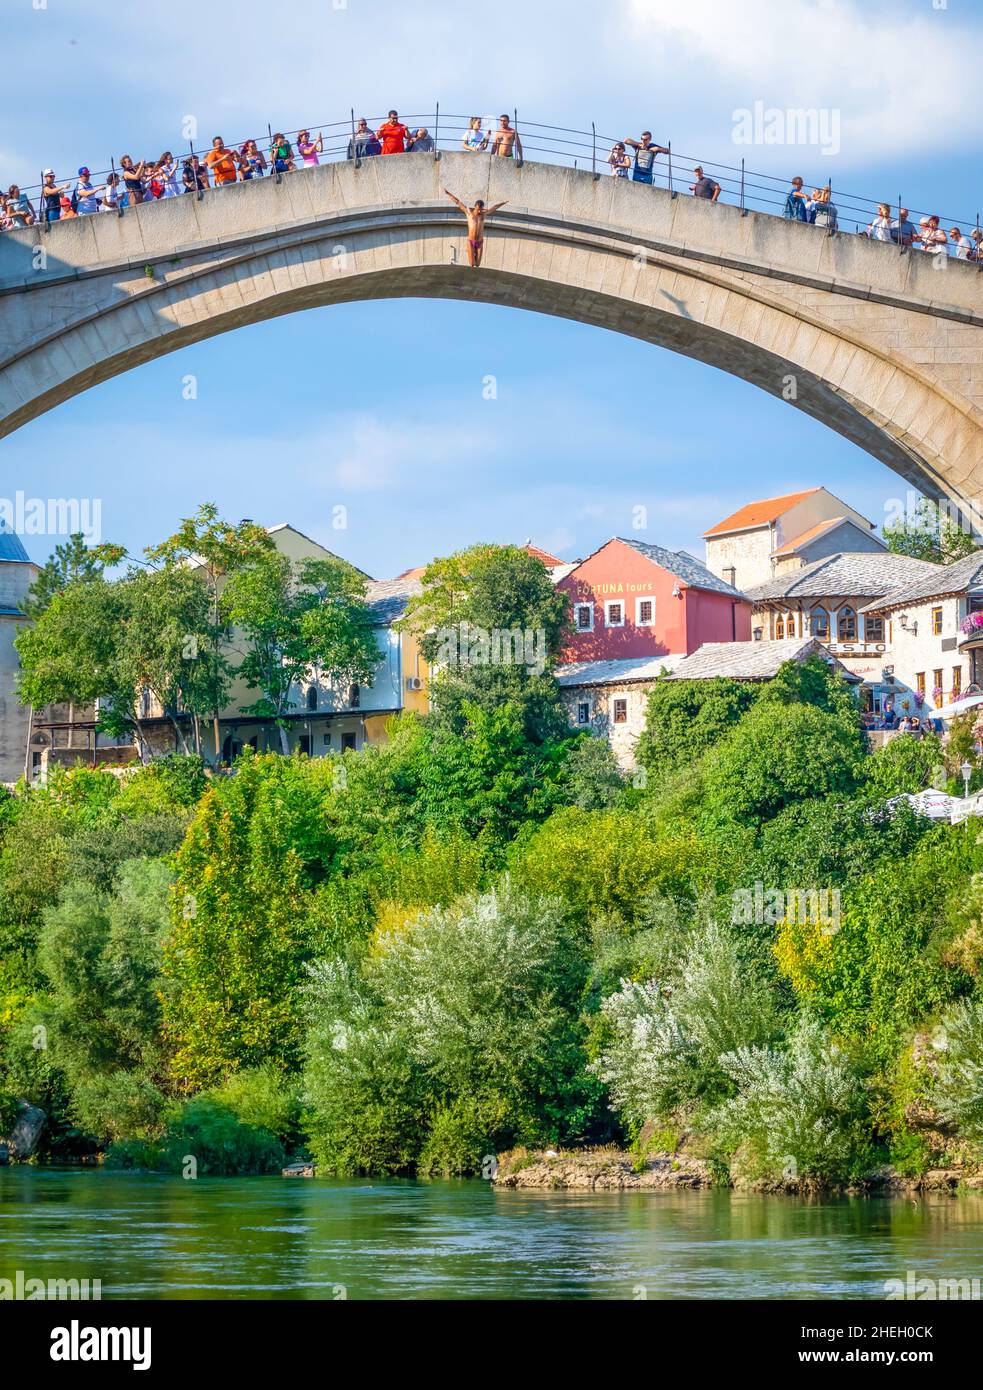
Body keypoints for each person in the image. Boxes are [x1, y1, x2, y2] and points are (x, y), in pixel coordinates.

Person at [443, 186, 508, 269]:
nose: (480, 211)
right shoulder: (469, 214)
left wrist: (504, 203)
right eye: (478, 209)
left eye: (481, 209)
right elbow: (458, 202)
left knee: (478, 264)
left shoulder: (483, 215)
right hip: (471, 241)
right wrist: (448, 193)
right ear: (475, 207)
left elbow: (494, 207)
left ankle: (475, 256)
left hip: (480, 242)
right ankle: (470, 252)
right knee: (472, 264)